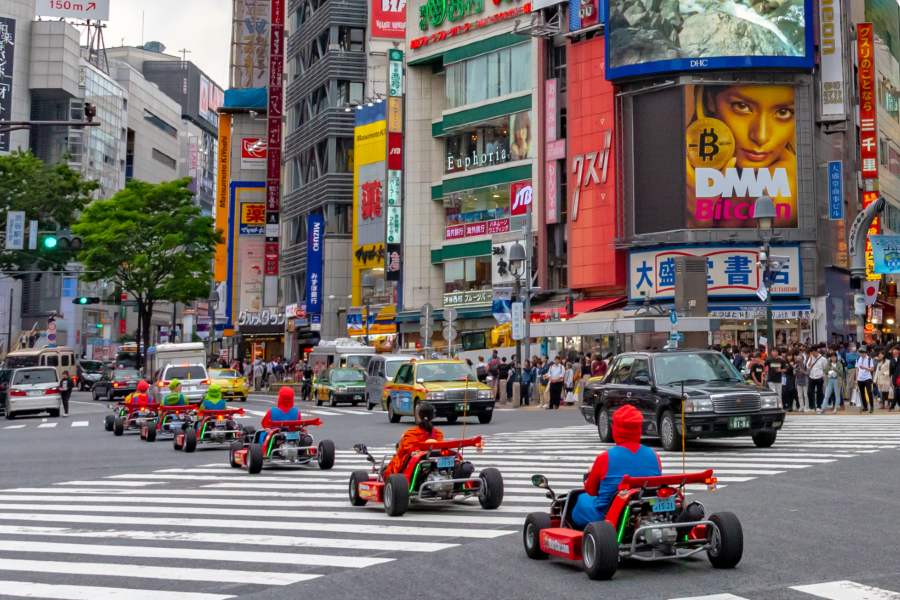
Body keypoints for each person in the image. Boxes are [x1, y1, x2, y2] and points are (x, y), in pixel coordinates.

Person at [572, 405, 662, 528]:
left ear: (616, 429)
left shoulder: (605, 458)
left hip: (607, 515)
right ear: (639, 429)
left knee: (581, 499)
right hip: (645, 509)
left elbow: (591, 491)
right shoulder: (654, 455)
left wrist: (589, 475)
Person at [383, 401, 444, 478]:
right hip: (432, 464)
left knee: (387, 471)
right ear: (432, 416)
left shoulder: (410, 433)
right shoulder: (439, 434)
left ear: (418, 416)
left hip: (407, 470)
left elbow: (404, 453)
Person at [856, 346, 875, 414]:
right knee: (862, 393)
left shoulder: (869, 359)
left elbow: (872, 369)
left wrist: (864, 368)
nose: (861, 354)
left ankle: (872, 407)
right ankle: (865, 407)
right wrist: (856, 379)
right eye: (860, 353)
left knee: (869, 392)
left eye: (862, 353)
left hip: (867, 378)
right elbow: (857, 369)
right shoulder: (858, 358)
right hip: (860, 378)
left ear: (865, 352)